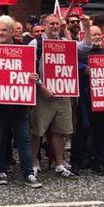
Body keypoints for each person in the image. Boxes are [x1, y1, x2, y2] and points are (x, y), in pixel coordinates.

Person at [0, 15, 41, 187]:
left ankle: (29, 173)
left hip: (20, 104)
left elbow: (32, 71)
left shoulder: (24, 49)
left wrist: (34, 77)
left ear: (11, 31)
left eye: (4, 30)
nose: (0, 33)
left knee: (24, 140)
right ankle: (0, 171)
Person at [28, 13, 77, 178]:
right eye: (52, 24)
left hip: (63, 95)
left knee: (59, 131)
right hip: (43, 95)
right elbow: (29, 68)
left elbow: (83, 48)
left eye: (57, 24)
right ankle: (33, 163)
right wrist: (41, 86)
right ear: (44, 25)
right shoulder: (36, 43)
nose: (55, 27)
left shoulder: (65, 43)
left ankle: (59, 164)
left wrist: (67, 30)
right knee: (37, 132)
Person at [75, 15, 104, 175]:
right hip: (86, 99)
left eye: (99, 35)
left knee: (102, 133)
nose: (97, 37)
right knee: (83, 131)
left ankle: (98, 162)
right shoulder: (81, 53)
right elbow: (71, 63)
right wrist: (83, 69)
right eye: (94, 35)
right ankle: (78, 161)